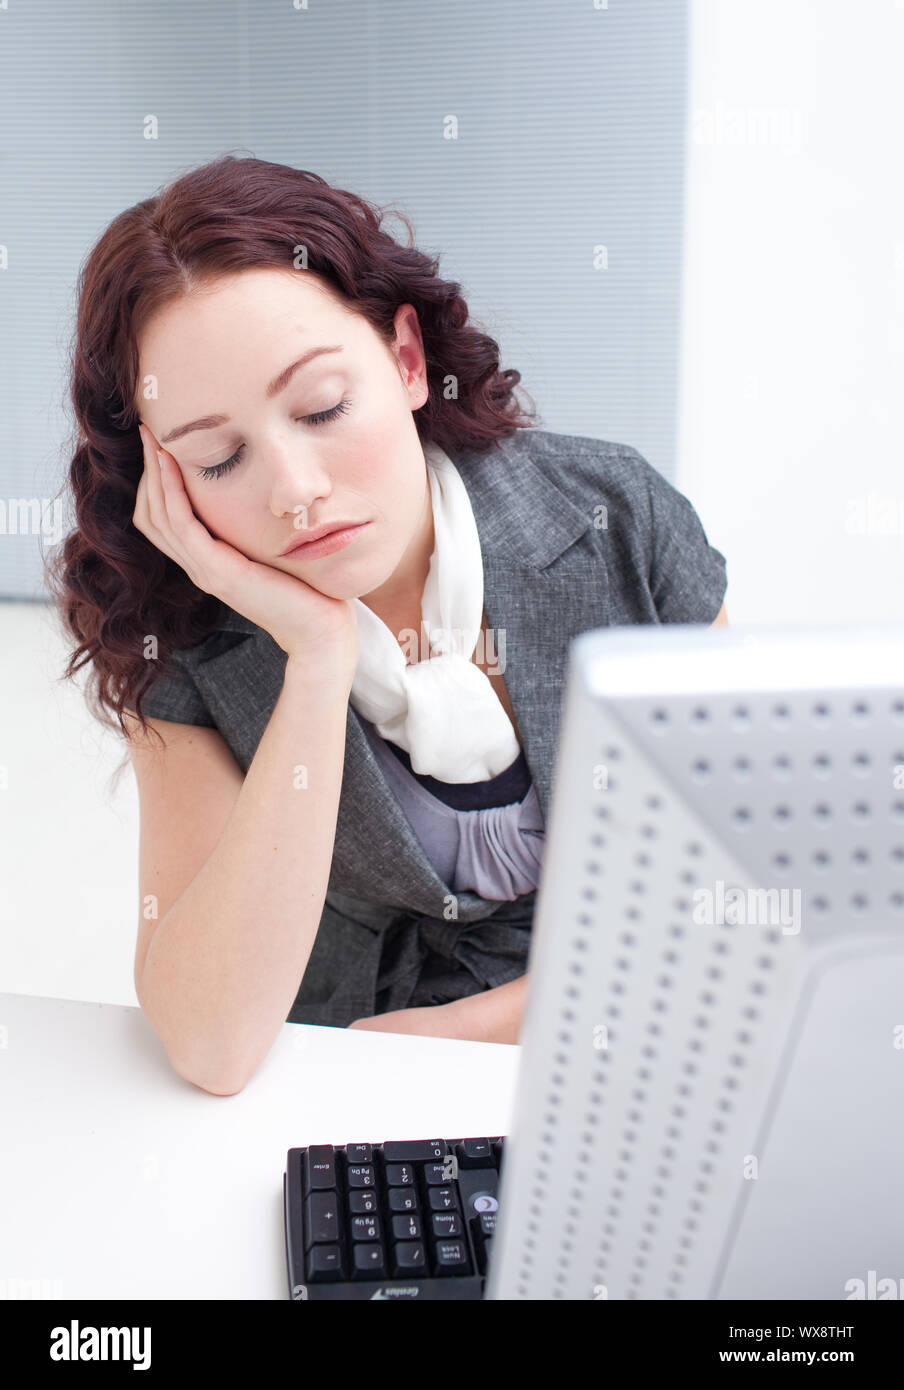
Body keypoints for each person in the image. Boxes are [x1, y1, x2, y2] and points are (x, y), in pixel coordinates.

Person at [47, 154, 729, 1095]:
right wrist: (318, 660)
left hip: (635, 1050)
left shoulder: (614, 515)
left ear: (408, 360)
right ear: (163, 479)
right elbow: (209, 1043)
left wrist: (477, 1032)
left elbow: (745, 881)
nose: (297, 492)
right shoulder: (182, 635)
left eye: (323, 406)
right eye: (218, 457)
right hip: (349, 1085)